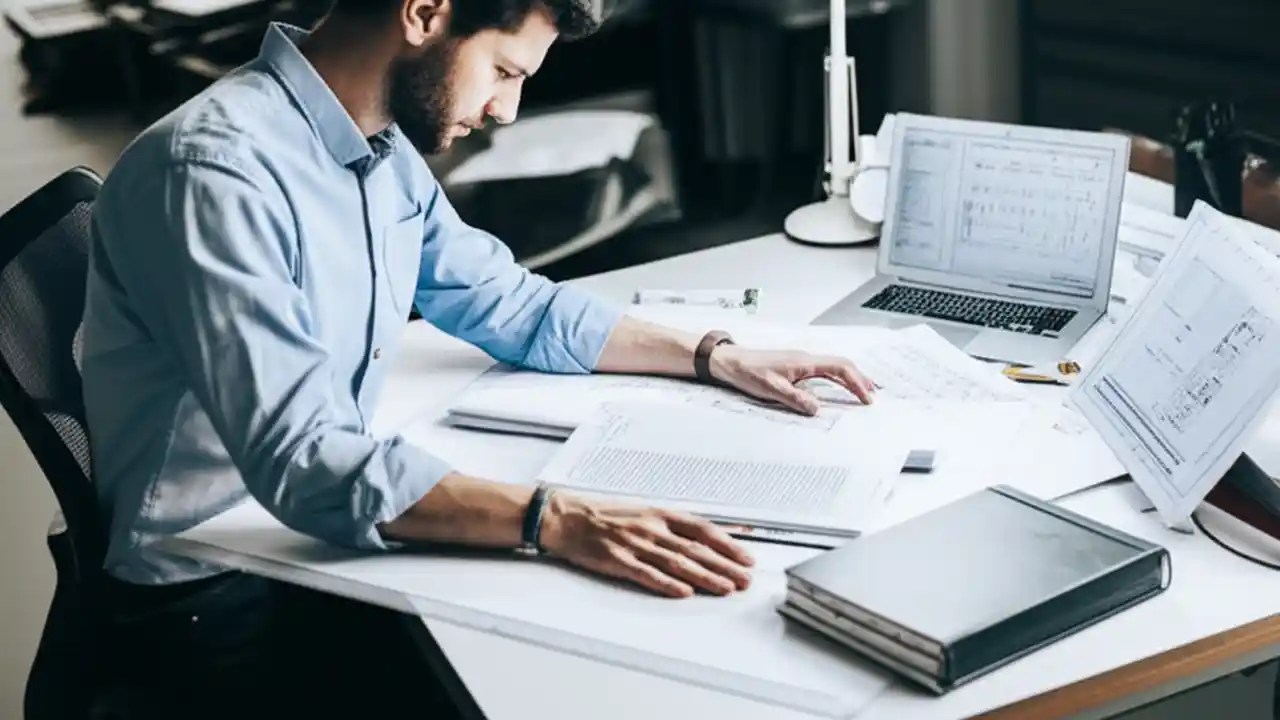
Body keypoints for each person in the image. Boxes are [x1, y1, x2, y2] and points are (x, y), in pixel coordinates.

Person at [79, 0, 876, 717]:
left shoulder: (377, 147)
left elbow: (505, 300)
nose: (506, 109)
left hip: (309, 546)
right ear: (424, 13)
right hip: (209, 600)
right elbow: (304, 460)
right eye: (503, 71)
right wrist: (557, 518)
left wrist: (712, 354)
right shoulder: (216, 173)